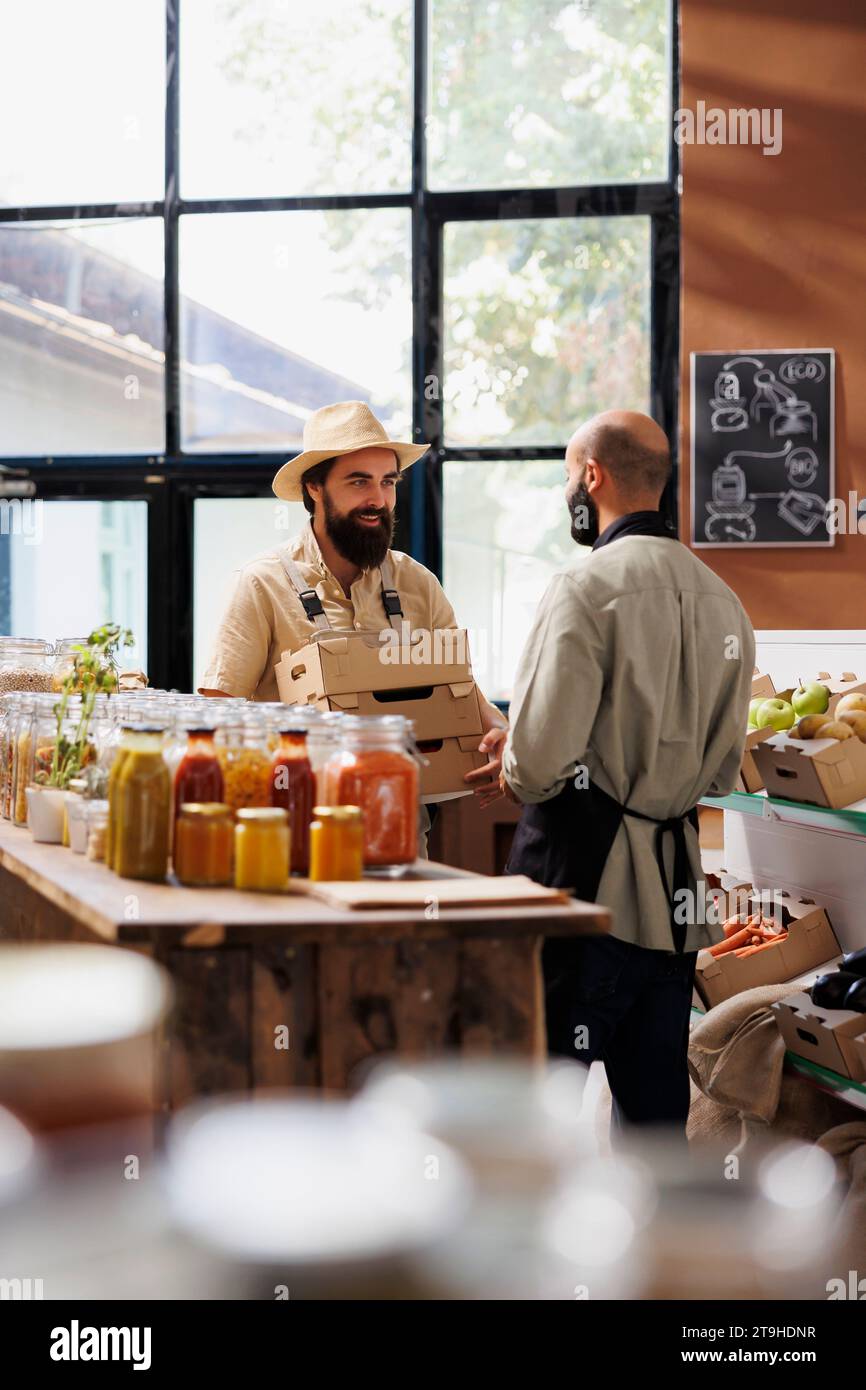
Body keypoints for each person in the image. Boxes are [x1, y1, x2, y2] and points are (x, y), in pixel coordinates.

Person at [500, 410, 755, 1139]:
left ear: (591, 476)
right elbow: (721, 774)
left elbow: (537, 766)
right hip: (674, 911)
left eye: (566, 480)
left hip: (583, 899)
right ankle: (657, 1254)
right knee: (653, 1136)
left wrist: (516, 755)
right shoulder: (727, 602)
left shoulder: (585, 589)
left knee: (539, 1125)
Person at [200, 401, 508, 846]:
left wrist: (497, 729)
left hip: (401, 834)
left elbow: (457, 684)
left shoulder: (417, 583)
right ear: (315, 488)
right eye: (359, 481)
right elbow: (217, 715)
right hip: (291, 840)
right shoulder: (260, 584)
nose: (378, 500)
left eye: (388, 482)